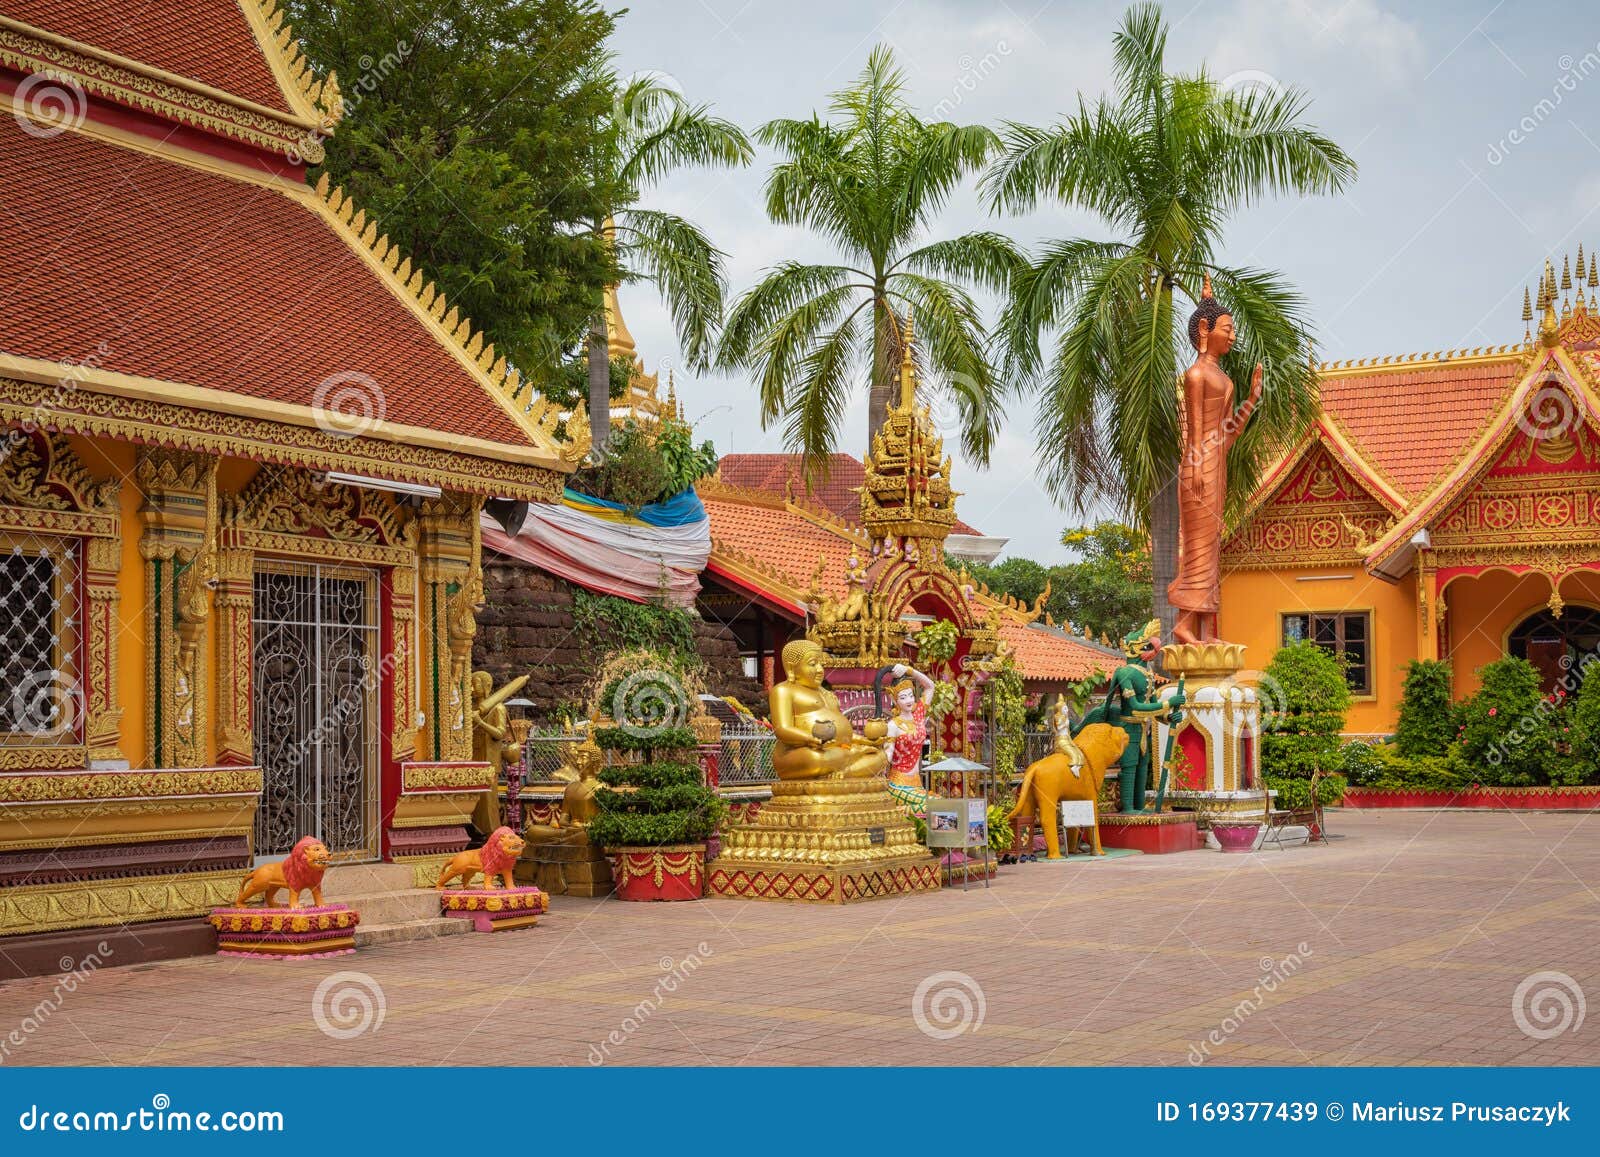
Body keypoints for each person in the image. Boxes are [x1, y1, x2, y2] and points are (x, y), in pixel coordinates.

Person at [884, 662, 935, 788]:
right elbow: (888, 755)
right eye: (903, 697)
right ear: (895, 700)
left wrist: (909, 670)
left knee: (933, 803)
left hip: (916, 782)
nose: (909, 701)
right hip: (898, 782)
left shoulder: (918, 714)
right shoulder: (893, 725)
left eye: (911, 696)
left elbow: (930, 686)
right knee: (928, 803)